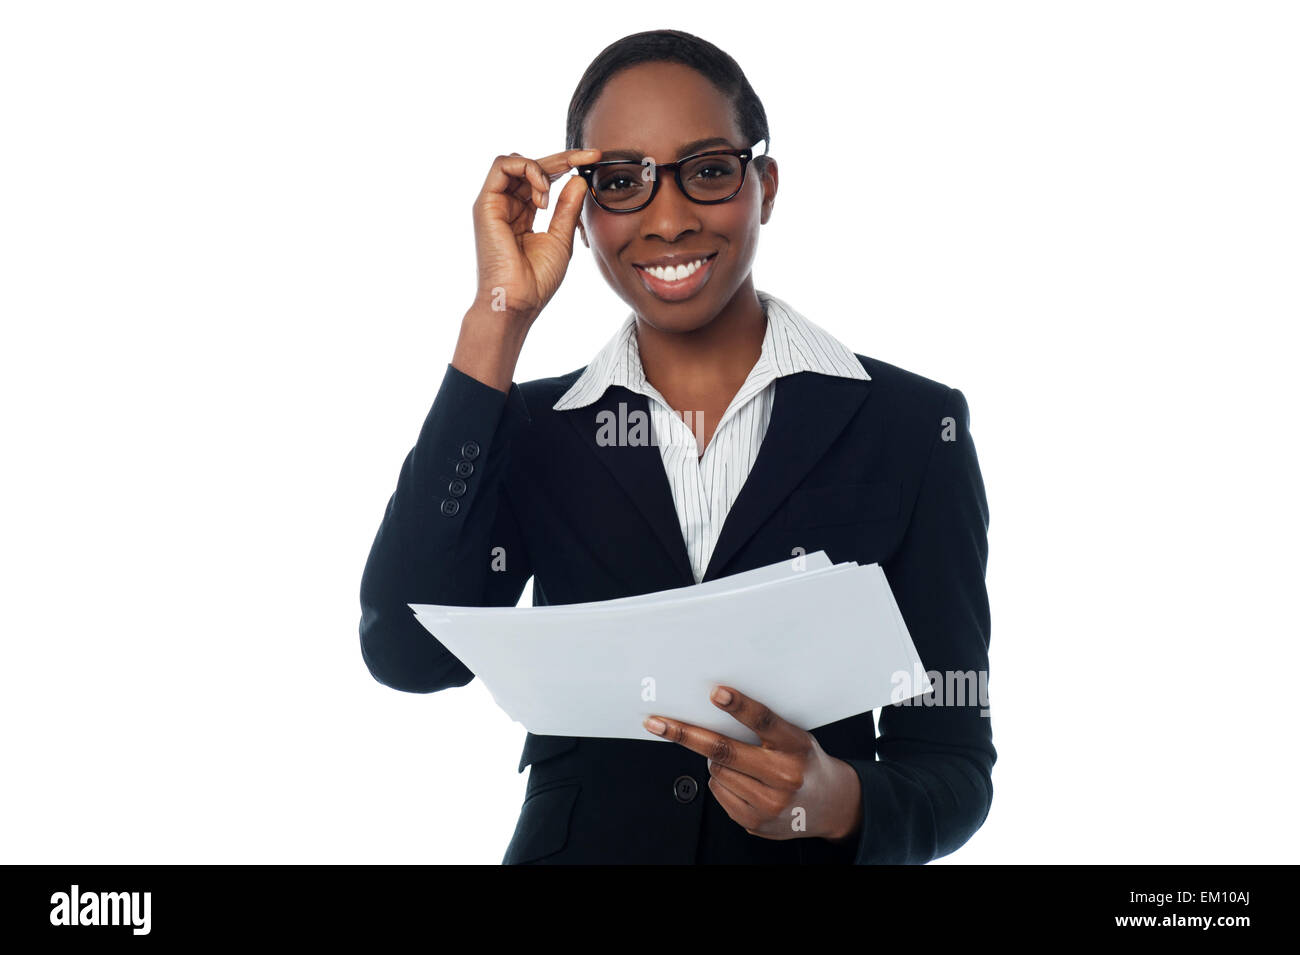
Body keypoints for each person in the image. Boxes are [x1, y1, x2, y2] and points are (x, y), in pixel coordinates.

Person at [358, 29, 995, 864]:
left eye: (707, 171)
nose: (667, 218)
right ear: (580, 216)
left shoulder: (914, 429)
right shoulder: (531, 426)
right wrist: (496, 323)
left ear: (763, 185)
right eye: (621, 183)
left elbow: (953, 764)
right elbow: (408, 654)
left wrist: (835, 798)